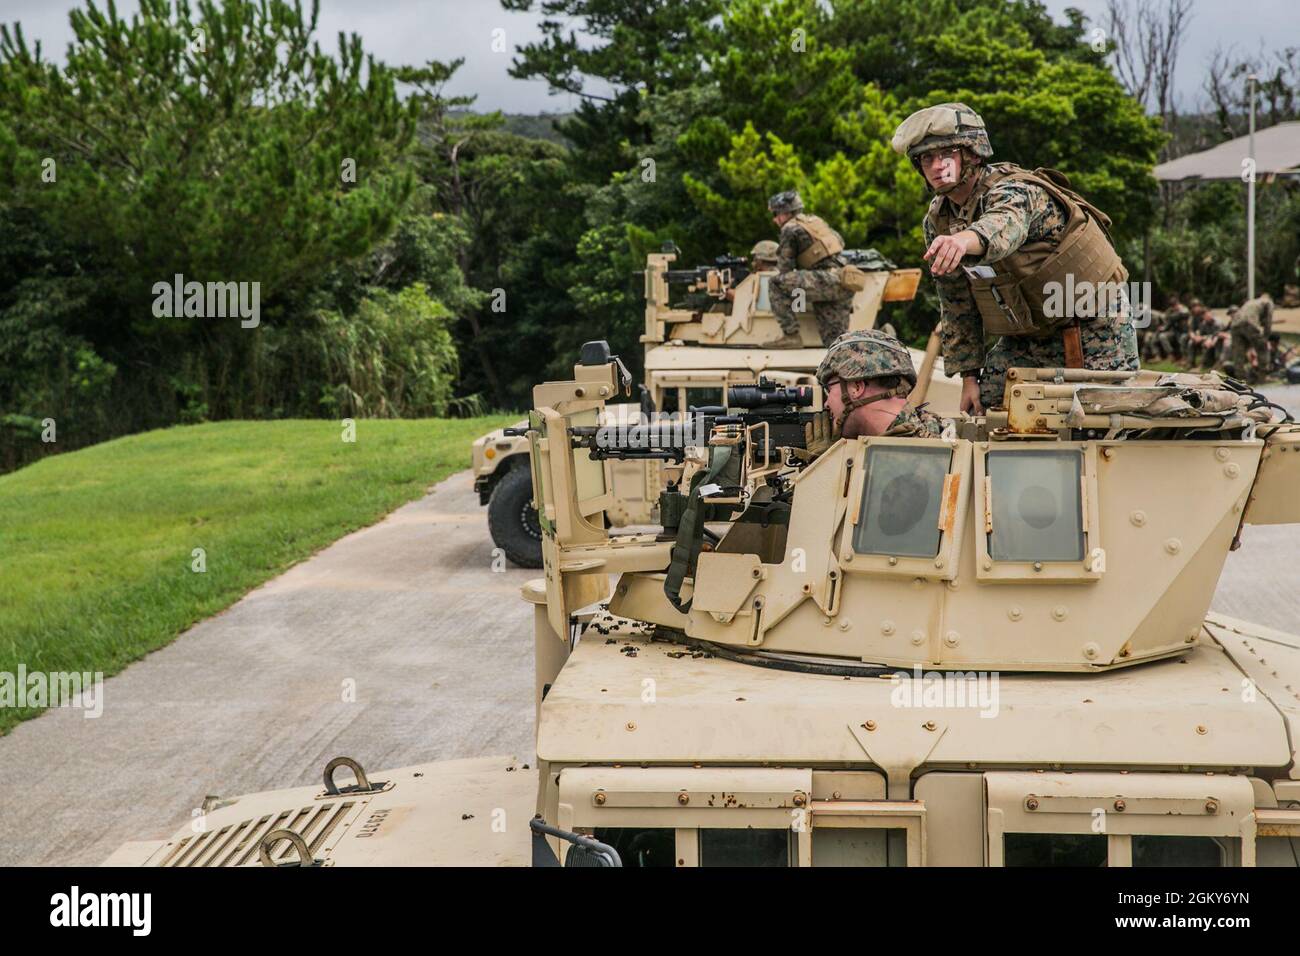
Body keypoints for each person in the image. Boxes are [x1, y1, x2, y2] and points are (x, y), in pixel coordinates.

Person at [891, 102, 1139, 413]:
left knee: (1102, 423)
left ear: (971, 153)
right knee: (990, 408)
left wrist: (964, 241)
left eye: (946, 154)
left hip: (1093, 323)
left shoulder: (1017, 191)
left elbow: (1004, 224)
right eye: (926, 158)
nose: (937, 165)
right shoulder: (939, 220)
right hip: (1027, 333)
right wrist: (969, 377)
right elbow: (957, 305)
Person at [815, 329, 949, 439]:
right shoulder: (930, 436)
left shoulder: (918, 452)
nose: (826, 404)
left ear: (856, 387)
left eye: (829, 388)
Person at [767, 190, 855, 346]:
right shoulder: (815, 221)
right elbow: (840, 243)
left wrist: (797, 298)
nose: (775, 219)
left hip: (824, 280)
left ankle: (791, 335)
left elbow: (784, 269)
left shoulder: (790, 228)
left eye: (776, 214)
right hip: (844, 282)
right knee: (835, 342)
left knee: (775, 282)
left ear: (786, 213)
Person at [1229, 293, 1274, 384]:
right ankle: (1262, 377)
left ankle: (1241, 379)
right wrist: (1265, 337)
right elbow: (1268, 322)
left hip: (1235, 324)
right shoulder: (1268, 302)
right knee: (1262, 349)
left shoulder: (1251, 302)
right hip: (1249, 323)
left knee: (1238, 352)